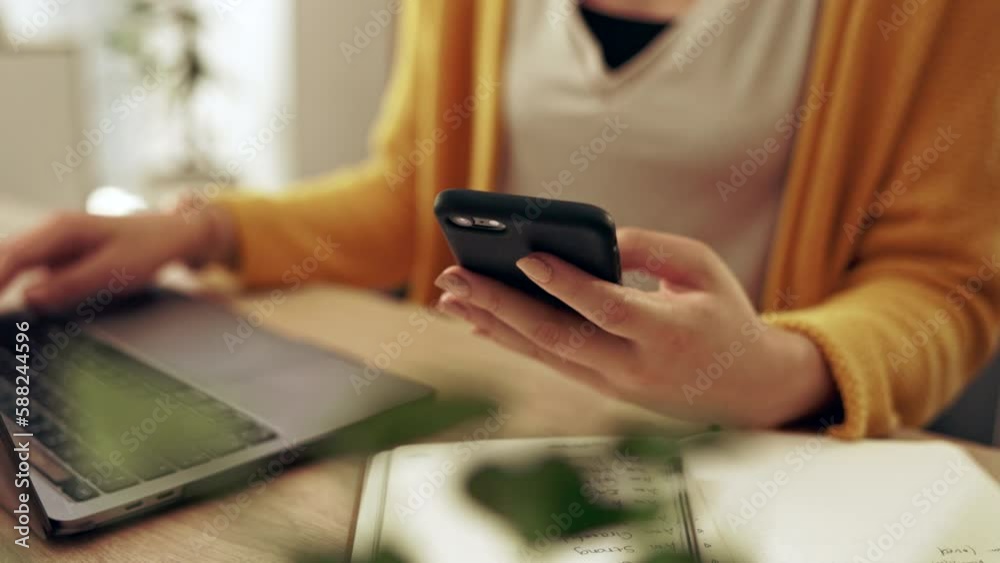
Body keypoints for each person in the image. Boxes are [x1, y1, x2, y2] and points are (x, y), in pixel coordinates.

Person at [0, 0, 998, 438]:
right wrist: (196, 230)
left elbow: (946, 281)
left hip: (752, 449)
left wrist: (781, 370)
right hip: (486, 419)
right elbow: (409, 196)